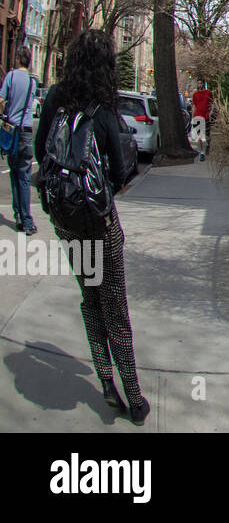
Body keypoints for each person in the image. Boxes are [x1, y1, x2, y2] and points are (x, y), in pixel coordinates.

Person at [35, 30, 149, 425]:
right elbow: (120, 171)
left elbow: (40, 154)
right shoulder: (103, 109)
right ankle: (134, 398)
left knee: (90, 299)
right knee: (115, 306)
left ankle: (105, 382)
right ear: (105, 67)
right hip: (101, 224)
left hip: (68, 223)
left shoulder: (53, 99)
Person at [2, 46, 39, 233]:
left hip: (12, 131)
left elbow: (1, 100)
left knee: (14, 173)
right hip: (26, 132)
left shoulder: (10, 76)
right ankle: (26, 219)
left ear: (18, 58)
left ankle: (20, 216)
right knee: (23, 175)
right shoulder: (33, 82)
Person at [191, 81, 213, 161]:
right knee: (199, 136)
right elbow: (194, 106)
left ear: (204, 84)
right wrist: (192, 117)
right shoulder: (195, 94)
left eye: (201, 83)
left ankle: (208, 145)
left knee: (207, 137)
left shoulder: (208, 93)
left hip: (206, 116)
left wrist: (210, 112)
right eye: (198, 83)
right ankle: (202, 153)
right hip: (197, 116)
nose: (199, 84)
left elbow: (212, 104)